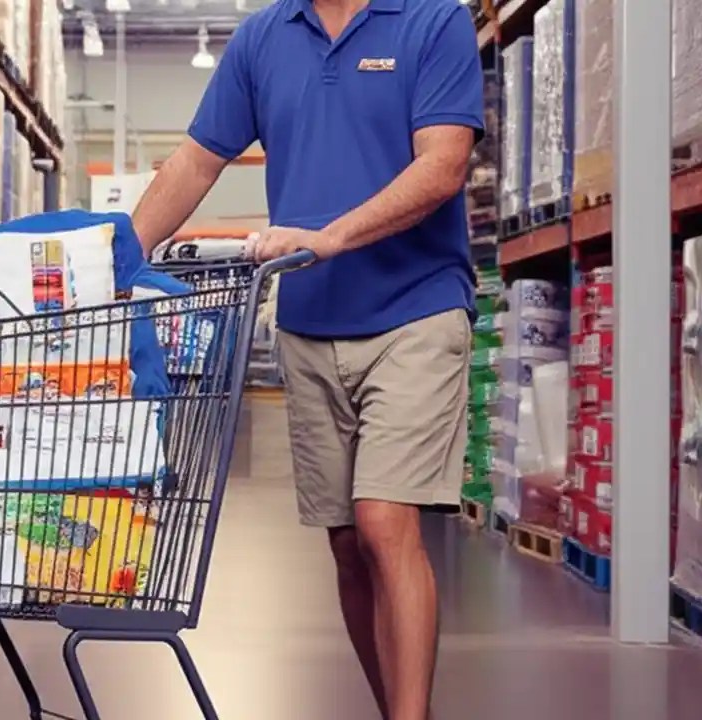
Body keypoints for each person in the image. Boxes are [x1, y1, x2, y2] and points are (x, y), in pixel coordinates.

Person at [130, 1, 483, 718]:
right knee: (348, 545)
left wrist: (331, 236)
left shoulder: (432, 19)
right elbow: (198, 159)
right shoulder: (265, 37)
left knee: (385, 522)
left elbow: (444, 166)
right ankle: (397, 707)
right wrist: (112, 258)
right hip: (311, 318)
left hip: (416, 307)